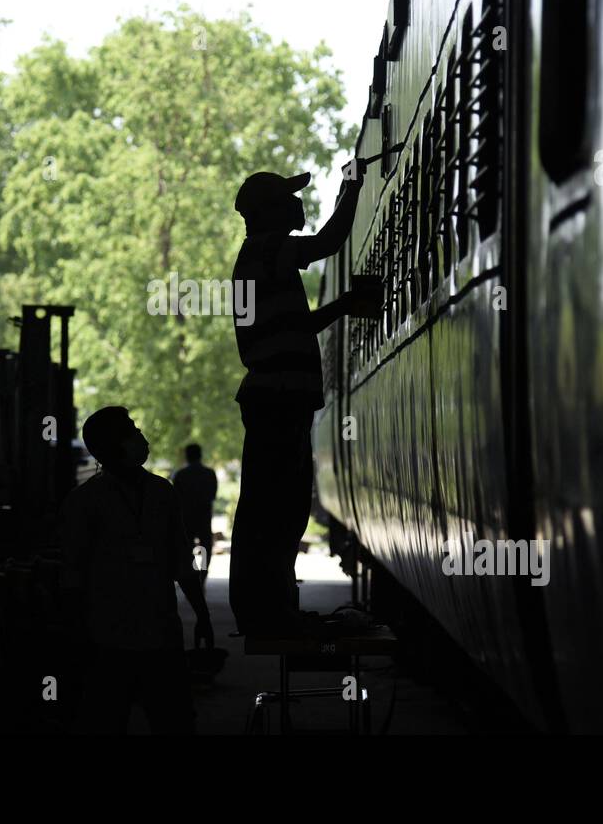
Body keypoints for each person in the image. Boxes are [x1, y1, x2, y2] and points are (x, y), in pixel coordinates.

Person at [228, 150, 394, 637]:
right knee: (278, 507)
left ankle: (272, 608)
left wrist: (342, 305)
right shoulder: (266, 250)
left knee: (278, 505)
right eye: (289, 197)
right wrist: (353, 186)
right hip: (279, 399)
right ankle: (268, 611)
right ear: (269, 211)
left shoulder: (260, 259)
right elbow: (328, 242)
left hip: (276, 398)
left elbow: (294, 327)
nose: (298, 205)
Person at [59, 406, 214, 734]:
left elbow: (182, 562)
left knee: (174, 722)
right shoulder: (84, 503)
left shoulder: (162, 492)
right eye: (130, 430)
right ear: (109, 445)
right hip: (109, 641)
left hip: (161, 635)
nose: (139, 435)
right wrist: (77, 638)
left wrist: (203, 614)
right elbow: (73, 576)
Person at [171, 444, 218, 586]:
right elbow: (212, 495)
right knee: (204, 548)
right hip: (204, 517)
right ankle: (202, 576)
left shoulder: (181, 475)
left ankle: (191, 576)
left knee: (187, 549)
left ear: (187, 456)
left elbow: (176, 498)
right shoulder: (209, 473)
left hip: (186, 518)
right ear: (200, 455)